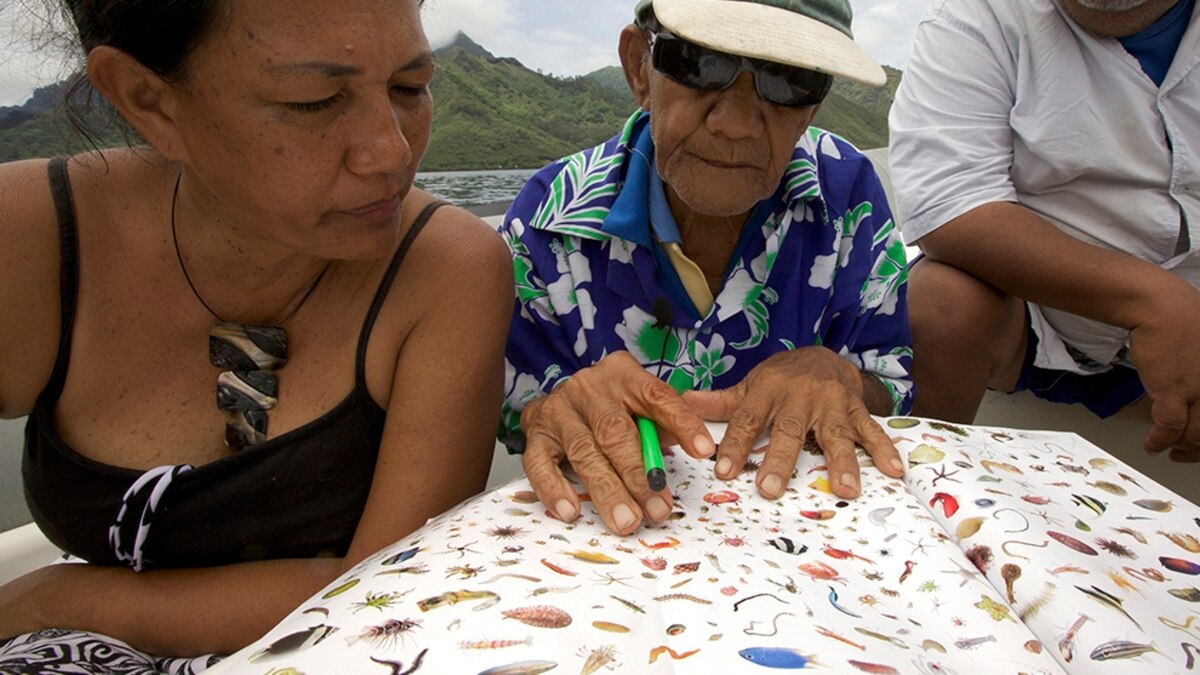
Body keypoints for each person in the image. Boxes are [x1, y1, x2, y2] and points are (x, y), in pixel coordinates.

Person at [0, 0, 512, 670]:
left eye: (411, 88)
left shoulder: (446, 270)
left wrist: (58, 598)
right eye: (315, 100)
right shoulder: (29, 240)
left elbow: (389, 589)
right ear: (148, 100)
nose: (391, 151)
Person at [500, 0, 914, 536]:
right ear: (638, 69)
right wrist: (551, 411)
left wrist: (841, 378)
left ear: (815, 104)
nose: (736, 123)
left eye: (789, 79)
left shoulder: (849, 195)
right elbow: (517, 410)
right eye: (698, 62)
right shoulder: (546, 218)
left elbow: (891, 381)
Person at [889, 0, 1200, 459]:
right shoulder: (978, 16)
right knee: (944, 300)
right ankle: (914, 498)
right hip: (1038, 328)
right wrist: (1158, 303)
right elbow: (950, 204)